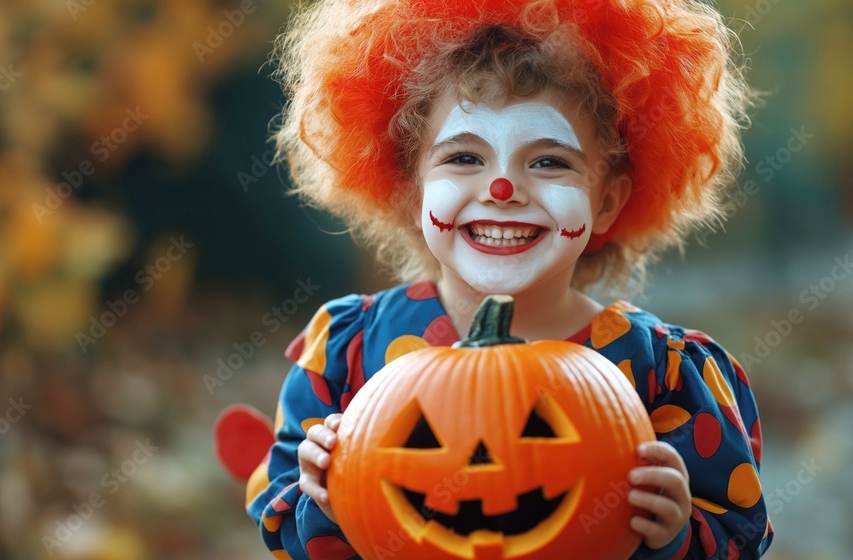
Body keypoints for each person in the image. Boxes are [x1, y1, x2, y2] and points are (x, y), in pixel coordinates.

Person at [243, 0, 773, 558]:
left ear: (609, 201)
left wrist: (676, 534)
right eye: (465, 158)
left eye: (548, 163)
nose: (503, 190)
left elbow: (741, 532)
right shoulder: (348, 349)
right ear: (411, 188)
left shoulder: (660, 373)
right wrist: (323, 503)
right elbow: (279, 527)